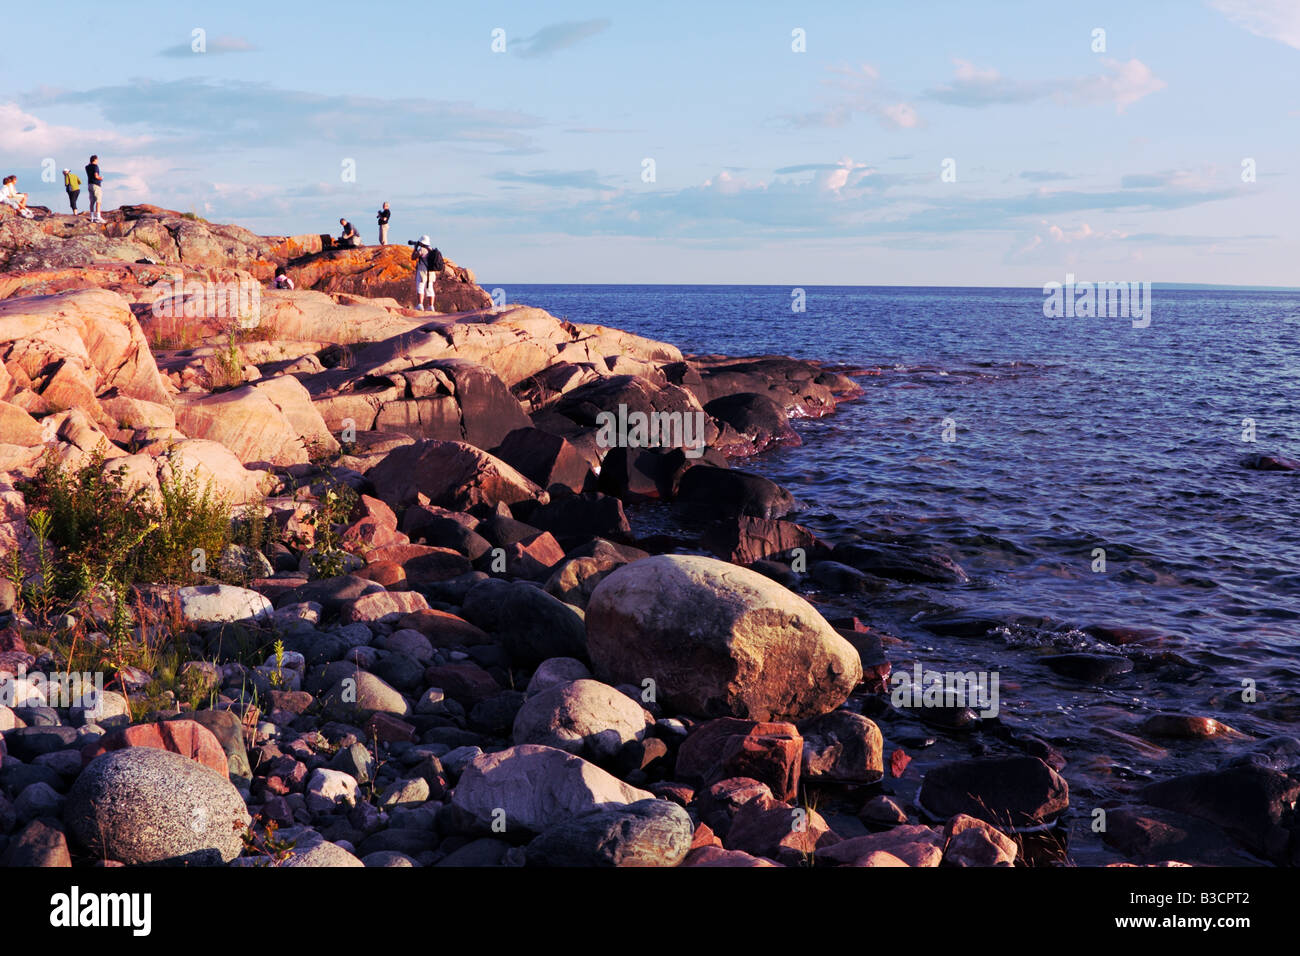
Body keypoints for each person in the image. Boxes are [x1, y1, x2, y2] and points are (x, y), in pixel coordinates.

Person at [410, 234, 442, 311]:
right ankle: (431, 306)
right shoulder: (432, 249)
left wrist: (415, 248)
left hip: (422, 272)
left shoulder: (422, 250)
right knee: (430, 289)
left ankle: (420, 305)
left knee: (420, 287)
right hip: (431, 273)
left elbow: (413, 257)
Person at [85, 155, 104, 222]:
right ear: (95, 160)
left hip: (89, 184)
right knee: (98, 201)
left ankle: (92, 217)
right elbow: (96, 176)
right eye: (97, 160)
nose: (98, 161)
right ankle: (98, 217)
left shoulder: (87, 167)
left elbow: (87, 165)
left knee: (92, 202)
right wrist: (100, 178)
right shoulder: (95, 166)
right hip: (96, 185)